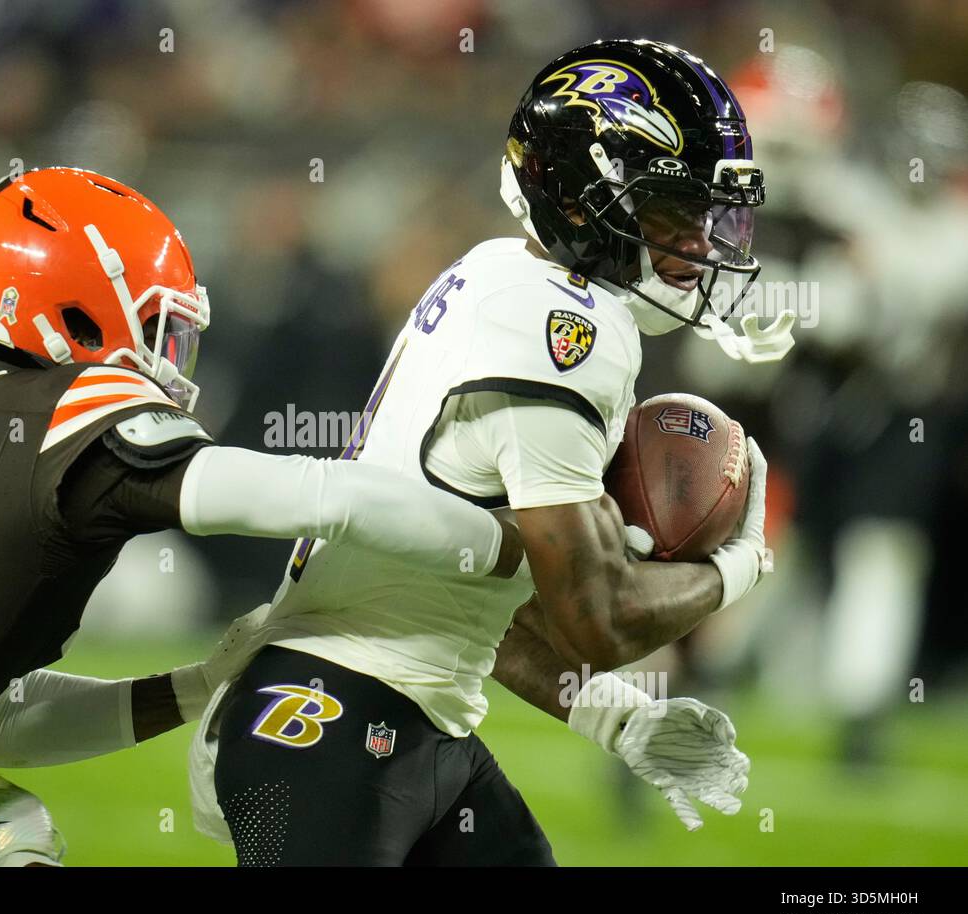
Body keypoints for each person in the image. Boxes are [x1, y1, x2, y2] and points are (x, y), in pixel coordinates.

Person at [0, 167, 525, 867]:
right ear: (77, 308)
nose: (170, 356)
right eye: (159, 325)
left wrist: (191, 687)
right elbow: (305, 494)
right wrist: (503, 549)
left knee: (0, 851)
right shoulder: (78, 405)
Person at [197, 38, 795, 865]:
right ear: (581, 201)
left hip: (390, 718)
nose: (697, 245)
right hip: (331, 726)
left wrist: (619, 719)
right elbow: (599, 617)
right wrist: (738, 565)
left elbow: (480, 594)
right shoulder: (565, 333)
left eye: (703, 216)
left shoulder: (504, 274)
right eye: (671, 213)